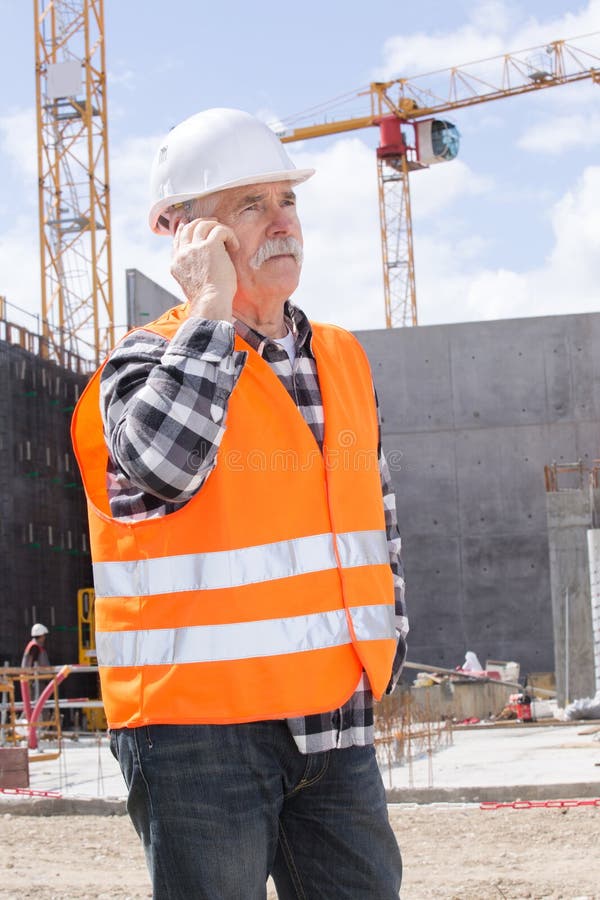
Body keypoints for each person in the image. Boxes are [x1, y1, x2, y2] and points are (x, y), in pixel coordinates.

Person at [72, 107, 408, 899]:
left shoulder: (341, 356)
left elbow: (375, 518)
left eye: (286, 200)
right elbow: (164, 466)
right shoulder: (141, 362)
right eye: (250, 206)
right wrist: (208, 314)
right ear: (188, 235)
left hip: (334, 719)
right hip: (198, 733)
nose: (282, 222)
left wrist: (384, 650)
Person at [21, 623, 50, 702]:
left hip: (36, 681)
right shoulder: (34, 647)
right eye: (43, 635)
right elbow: (30, 666)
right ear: (40, 635)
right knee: (37, 704)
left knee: (37, 704)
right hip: (35, 682)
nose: (44, 637)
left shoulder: (35, 646)